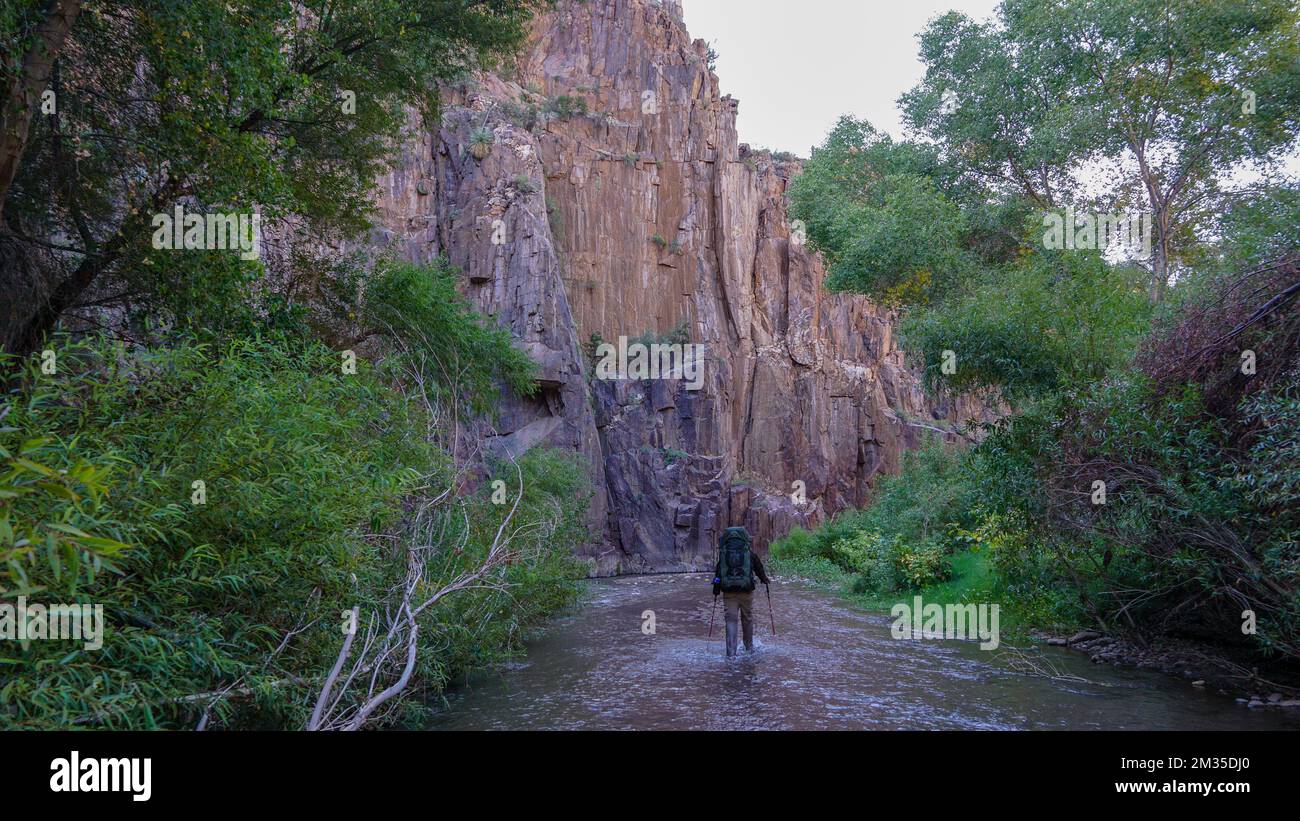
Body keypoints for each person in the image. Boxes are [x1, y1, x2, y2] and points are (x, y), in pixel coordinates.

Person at [712, 526, 770, 656]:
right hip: (746, 592)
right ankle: (748, 648)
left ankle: (731, 653)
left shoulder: (724, 554)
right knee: (747, 619)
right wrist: (764, 579)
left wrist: (716, 589)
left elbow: (718, 573)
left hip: (729, 593)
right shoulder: (749, 554)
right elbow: (759, 568)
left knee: (731, 620)